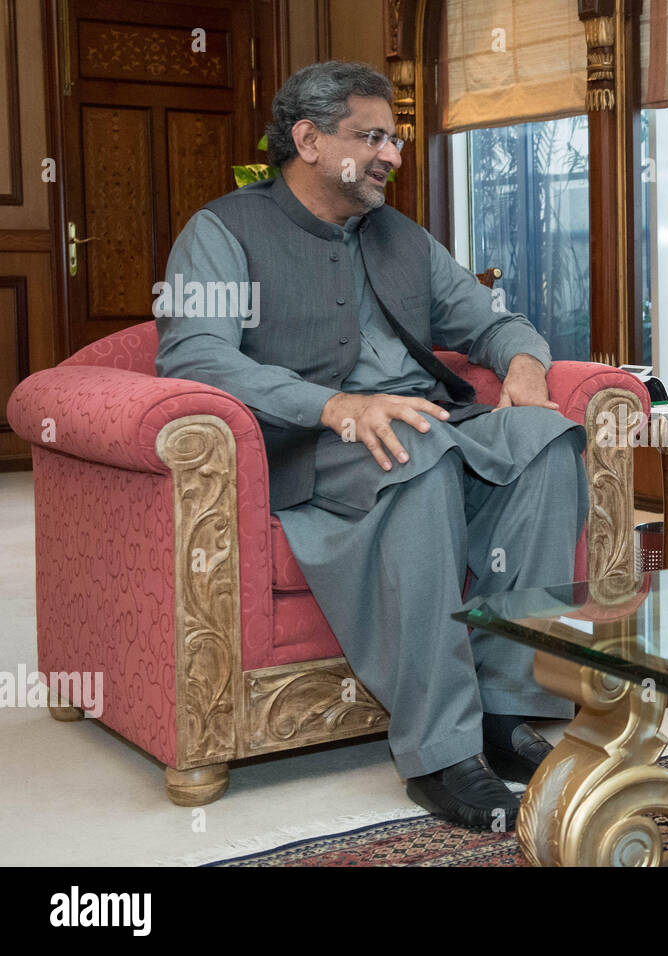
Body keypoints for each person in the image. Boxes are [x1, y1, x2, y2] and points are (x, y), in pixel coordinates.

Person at [155, 61, 588, 831]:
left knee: (547, 439)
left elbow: (489, 319)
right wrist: (335, 406)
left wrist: (523, 361)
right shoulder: (219, 231)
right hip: (318, 448)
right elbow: (195, 355)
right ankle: (440, 754)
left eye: (396, 137)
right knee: (409, 450)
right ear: (310, 139)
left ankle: (506, 710)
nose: (393, 154)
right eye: (374, 136)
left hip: (430, 428)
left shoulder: (400, 235)